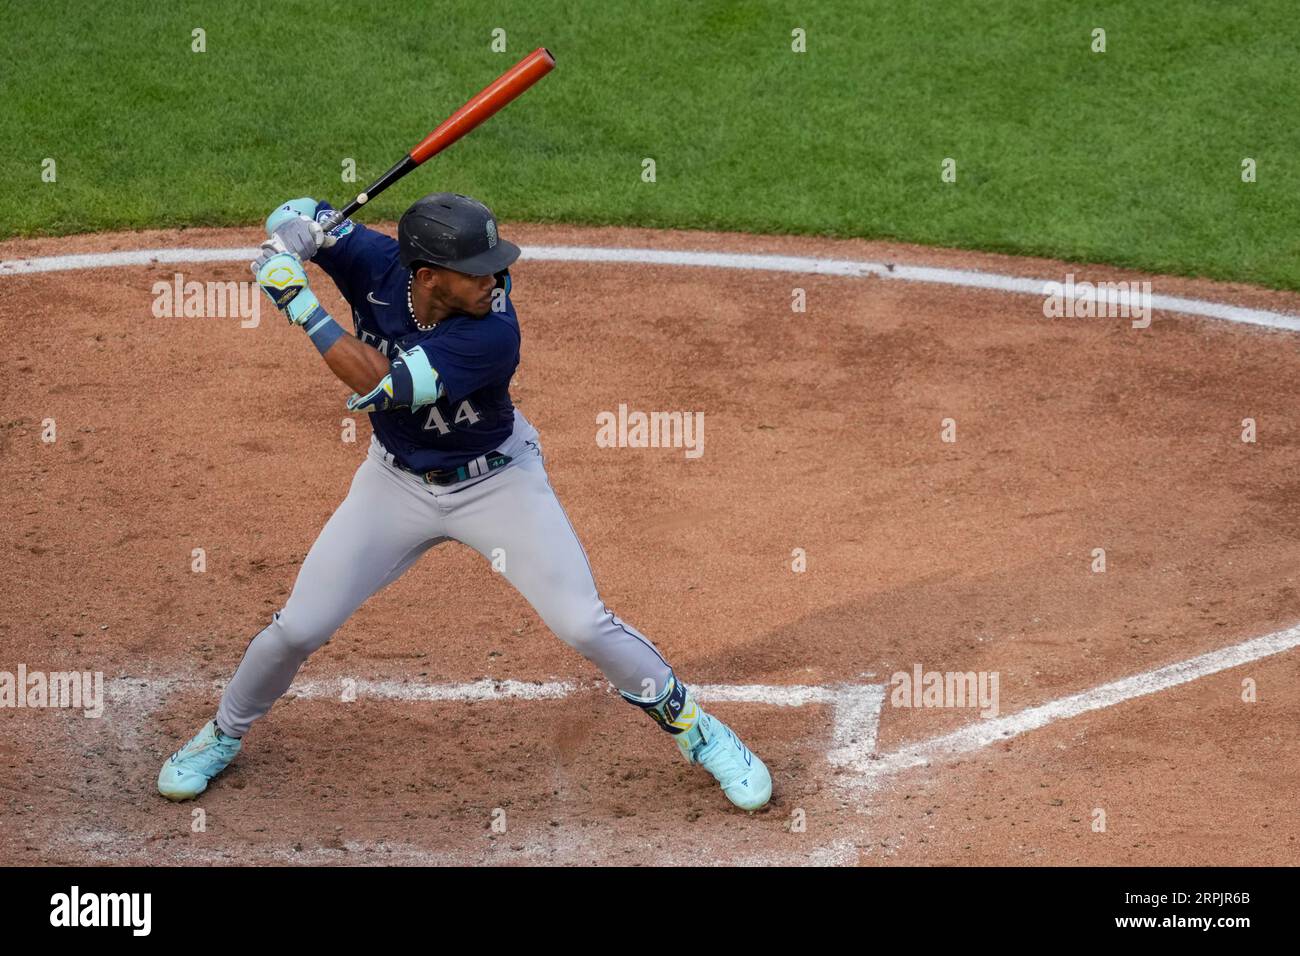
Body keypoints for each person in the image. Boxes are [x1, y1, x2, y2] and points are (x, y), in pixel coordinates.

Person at [156, 192, 772, 812]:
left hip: (497, 484)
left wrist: (297, 300)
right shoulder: (375, 262)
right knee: (298, 628)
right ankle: (223, 733)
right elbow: (299, 209)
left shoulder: (493, 331)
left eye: (497, 265)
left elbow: (385, 386)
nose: (498, 280)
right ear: (426, 276)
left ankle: (701, 733)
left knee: (583, 621)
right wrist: (293, 239)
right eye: (480, 270)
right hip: (394, 484)